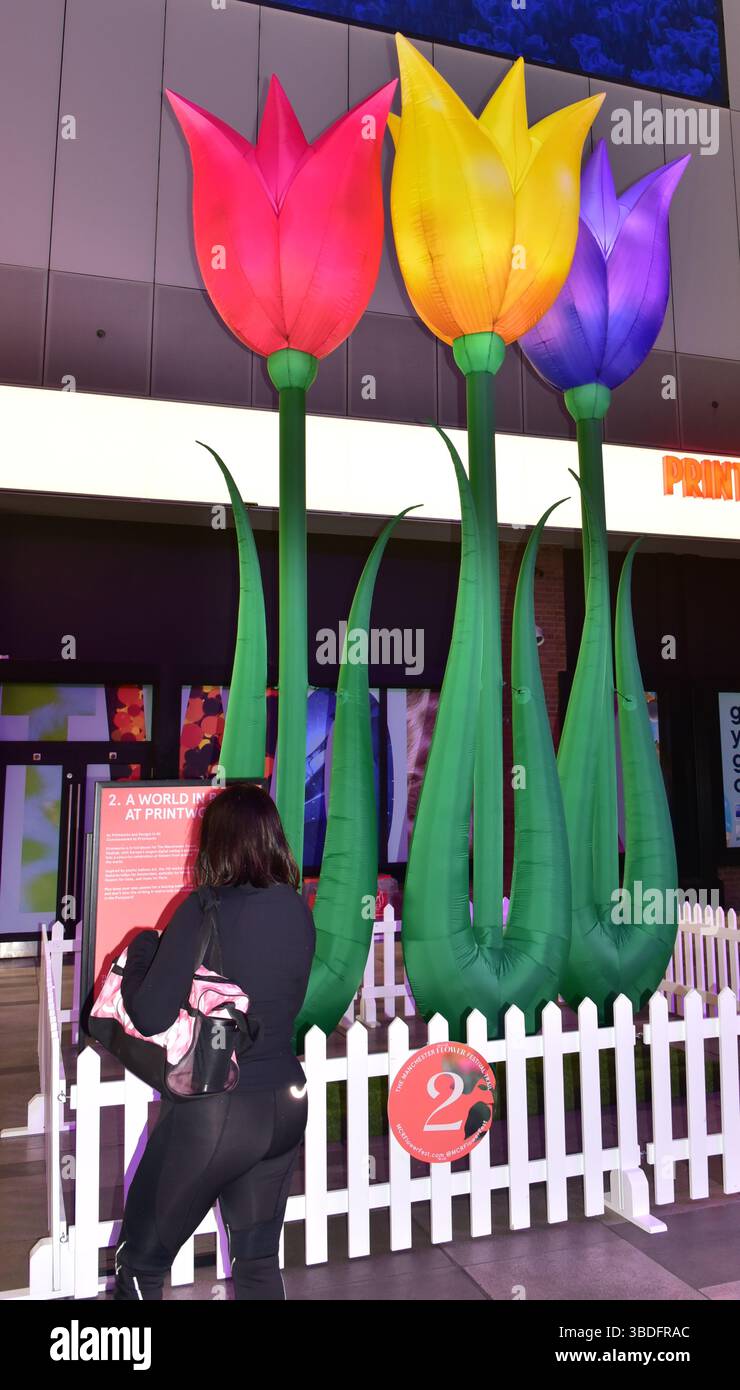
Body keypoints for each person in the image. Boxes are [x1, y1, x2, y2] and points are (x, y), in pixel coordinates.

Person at [113, 782, 315, 1302]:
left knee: (141, 1265)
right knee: (258, 1265)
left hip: (219, 1110)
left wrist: (141, 951)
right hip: (286, 1104)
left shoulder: (203, 907)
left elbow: (150, 1014)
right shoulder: (296, 908)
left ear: (216, 844)